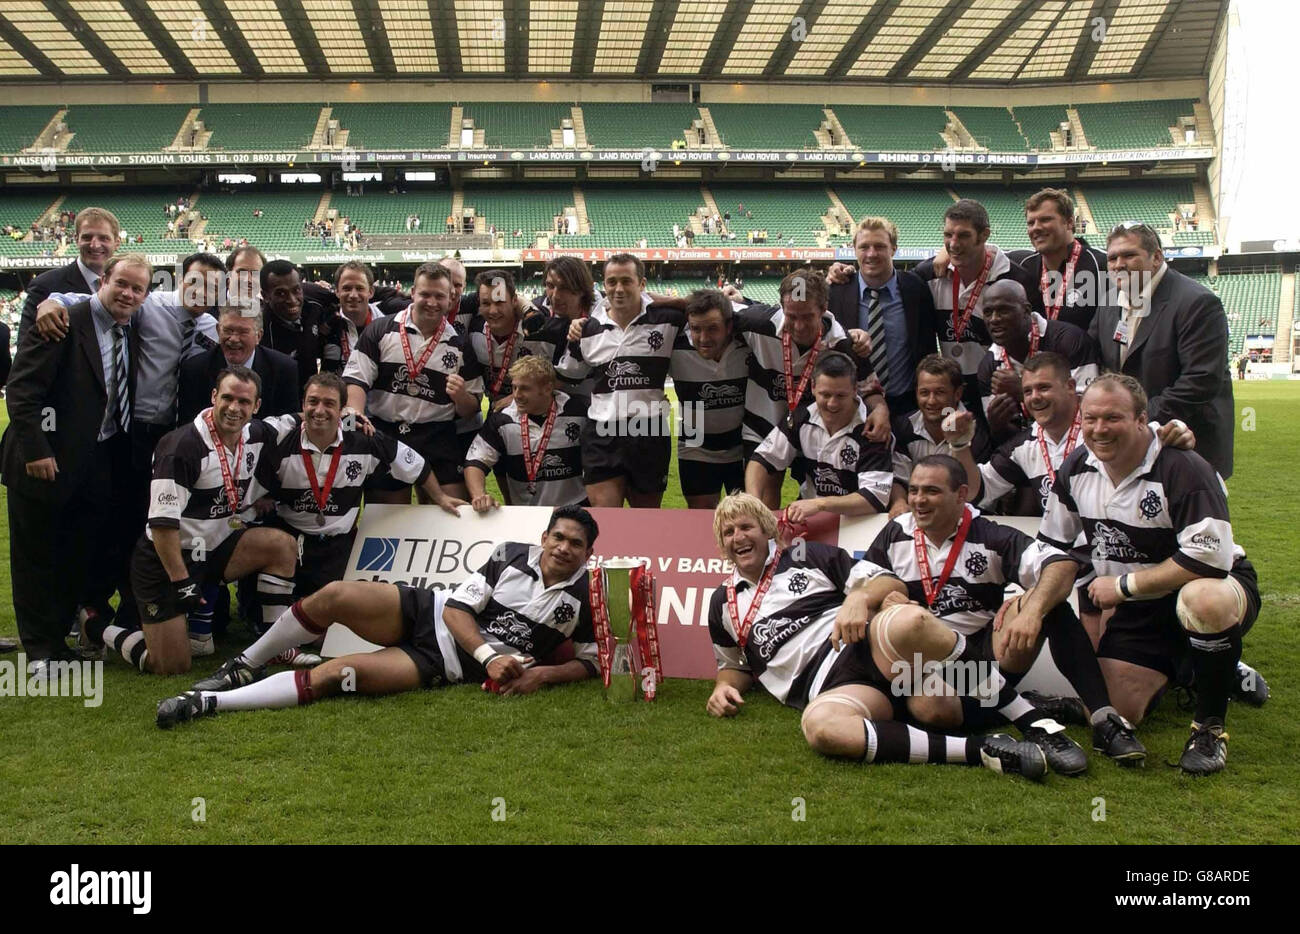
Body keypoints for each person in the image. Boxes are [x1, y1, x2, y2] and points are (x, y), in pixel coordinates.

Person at [155, 506, 602, 727]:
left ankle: (206, 703)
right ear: (543, 537)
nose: (563, 548)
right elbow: (459, 610)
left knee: (336, 674)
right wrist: (488, 656)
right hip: (430, 613)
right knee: (332, 596)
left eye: (575, 544)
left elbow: (594, 659)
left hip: (441, 665)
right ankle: (242, 666)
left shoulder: (588, 594)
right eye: (558, 537)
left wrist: (542, 676)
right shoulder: (509, 555)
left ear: (587, 553)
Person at [705, 492, 1048, 779]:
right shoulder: (722, 602)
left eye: (746, 527)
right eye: (729, 532)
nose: (739, 537)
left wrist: (858, 597)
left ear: (767, 531)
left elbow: (890, 583)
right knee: (824, 728)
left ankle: (1032, 718)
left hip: (862, 648)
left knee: (910, 621)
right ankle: (984, 750)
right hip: (829, 688)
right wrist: (724, 686)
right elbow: (734, 665)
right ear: (722, 545)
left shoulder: (806, 555)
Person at [1037, 375, 1263, 775]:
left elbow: (1210, 559)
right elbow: (1053, 544)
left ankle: (1209, 729)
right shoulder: (1077, 467)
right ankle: (1205, 669)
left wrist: (1123, 586)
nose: (1099, 429)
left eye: (1113, 418)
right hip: (1139, 608)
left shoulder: (1182, 466)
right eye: (1090, 418)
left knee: (1203, 603)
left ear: (1143, 420)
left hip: (1210, 585)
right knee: (1117, 709)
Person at [862, 455, 1144, 773]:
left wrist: (1032, 611)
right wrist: (884, 602)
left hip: (984, 655)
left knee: (1050, 604)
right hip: (924, 662)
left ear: (961, 494)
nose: (918, 500)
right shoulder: (895, 533)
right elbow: (861, 589)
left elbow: (1062, 565)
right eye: (913, 490)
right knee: (932, 711)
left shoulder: (990, 535)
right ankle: (1024, 708)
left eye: (931, 491)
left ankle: (1103, 717)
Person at [77, 365, 296, 677]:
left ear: (256, 406)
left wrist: (349, 415)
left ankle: (275, 644)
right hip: (167, 560)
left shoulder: (257, 433)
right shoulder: (181, 447)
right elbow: (163, 527)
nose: (234, 408)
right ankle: (94, 624)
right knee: (170, 665)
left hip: (214, 548)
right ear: (213, 397)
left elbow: (298, 421)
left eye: (244, 402)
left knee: (280, 545)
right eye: (227, 398)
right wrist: (182, 584)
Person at [1, 255, 149, 675]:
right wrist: (36, 450)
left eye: (138, 289)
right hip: (42, 460)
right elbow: (22, 388)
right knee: (37, 558)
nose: (128, 293)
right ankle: (41, 652)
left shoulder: (132, 327)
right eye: (121, 283)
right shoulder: (63, 319)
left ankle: (64, 639)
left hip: (91, 462)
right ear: (103, 280)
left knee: (74, 553)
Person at [732, 267, 885, 509]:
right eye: (791, 316)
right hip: (762, 421)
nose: (800, 326)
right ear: (781, 308)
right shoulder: (758, 322)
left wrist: (881, 410)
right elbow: (714, 308)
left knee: (816, 491)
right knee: (766, 485)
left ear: (824, 308)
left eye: (807, 316)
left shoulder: (844, 344)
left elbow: (871, 389)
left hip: (812, 431)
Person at [1091, 222, 1235, 478]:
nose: (1118, 264)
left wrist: (1137, 418)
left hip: (1186, 446)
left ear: (1156, 257)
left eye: (1129, 255)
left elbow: (1201, 380)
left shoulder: (1197, 302)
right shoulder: (1108, 302)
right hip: (1130, 444)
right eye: (1112, 257)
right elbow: (1100, 360)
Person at [343, 262, 482, 503]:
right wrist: (354, 412)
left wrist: (461, 396)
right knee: (389, 521)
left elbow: (471, 410)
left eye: (439, 296)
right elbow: (356, 379)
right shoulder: (380, 330)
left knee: (450, 517)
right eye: (425, 294)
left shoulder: (460, 345)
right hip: (386, 432)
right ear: (413, 293)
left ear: (450, 299)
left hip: (437, 436)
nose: (431, 302)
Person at [557, 253, 684, 508]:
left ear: (642, 284)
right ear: (603, 285)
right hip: (603, 433)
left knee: (645, 522)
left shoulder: (667, 320)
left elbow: (707, 306)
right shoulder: (588, 329)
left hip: (649, 431)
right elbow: (566, 374)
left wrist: (674, 300)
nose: (618, 288)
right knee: (605, 524)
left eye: (627, 281)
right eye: (611, 281)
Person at [912, 199, 1042, 427]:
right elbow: (893, 284)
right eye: (948, 235)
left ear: (984, 236)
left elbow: (1035, 339)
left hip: (998, 388)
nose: (953, 244)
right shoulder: (930, 274)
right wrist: (843, 274)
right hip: (951, 393)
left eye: (963, 236)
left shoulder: (1014, 281)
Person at [746, 352, 893, 522]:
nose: (832, 403)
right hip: (811, 516)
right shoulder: (802, 417)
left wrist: (820, 504)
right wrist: (753, 501)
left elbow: (874, 498)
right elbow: (761, 459)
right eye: (825, 395)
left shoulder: (873, 428)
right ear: (813, 387)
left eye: (840, 396)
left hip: (858, 522)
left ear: (854, 390)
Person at [827, 217, 940, 415]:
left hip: (908, 407)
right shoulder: (836, 292)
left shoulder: (916, 289)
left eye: (880, 246)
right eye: (864, 247)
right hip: (852, 408)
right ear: (854, 249)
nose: (871, 254)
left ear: (893, 249)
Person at [976, 279, 1098, 442]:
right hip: (1028, 450)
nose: (994, 319)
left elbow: (1091, 409)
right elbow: (1006, 439)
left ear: (1026, 310)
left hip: (1079, 441)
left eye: (1003, 310)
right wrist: (998, 425)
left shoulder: (1069, 340)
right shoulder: (989, 365)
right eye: (988, 312)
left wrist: (1023, 390)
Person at [465, 356, 587, 509]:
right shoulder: (502, 420)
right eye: (515, 387)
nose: (516, 395)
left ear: (548, 388)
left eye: (525, 388)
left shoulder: (578, 412)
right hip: (525, 515)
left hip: (574, 509)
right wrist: (479, 495)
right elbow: (475, 461)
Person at [669, 289, 750, 509]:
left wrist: (744, 300)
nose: (703, 339)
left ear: (729, 326)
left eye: (713, 329)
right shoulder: (674, 346)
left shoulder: (748, 344)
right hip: (696, 447)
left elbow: (777, 313)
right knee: (702, 522)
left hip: (742, 447)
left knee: (748, 519)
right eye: (696, 329)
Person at [886, 354, 989, 517]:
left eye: (940, 392)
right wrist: (899, 502)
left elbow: (975, 490)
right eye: (924, 393)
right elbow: (900, 478)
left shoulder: (976, 430)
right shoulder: (903, 427)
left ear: (957, 393)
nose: (931, 401)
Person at [1006, 188, 1109, 332]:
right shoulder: (1024, 267)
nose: (1036, 228)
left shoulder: (1102, 265)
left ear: (1069, 222)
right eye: (1031, 223)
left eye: (1045, 220)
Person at [179, 305, 299, 422]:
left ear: (258, 336)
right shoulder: (195, 369)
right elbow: (190, 426)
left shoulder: (284, 369)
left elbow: (288, 425)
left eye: (243, 332)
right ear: (218, 330)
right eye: (228, 330)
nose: (234, 339)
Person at [18, 207, 119, 339]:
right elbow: (26, 349)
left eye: (104, 238)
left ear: (117, 243)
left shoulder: (126, 287)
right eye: (87, 237)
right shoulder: (45, 285)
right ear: (76, 239)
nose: (95, 245)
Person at [258, 260, 334, 399]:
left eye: (296, 290)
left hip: (316, 396)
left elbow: (355, 293)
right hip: (282, 402)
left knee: (350, 418)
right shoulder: (261, 332)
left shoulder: (315, 301)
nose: (292, 299)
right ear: (265, 296)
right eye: (281, 293)